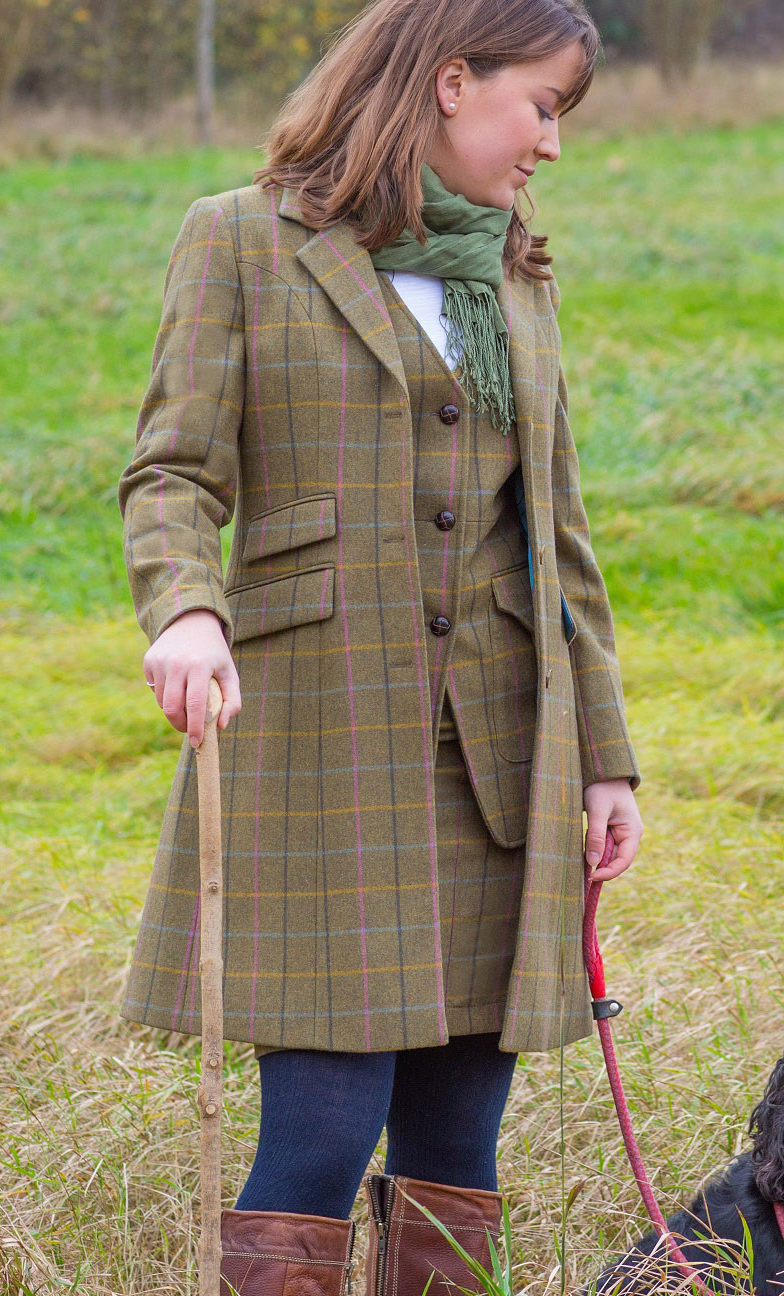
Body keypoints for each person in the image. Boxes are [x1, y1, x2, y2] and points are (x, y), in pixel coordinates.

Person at [116, 2, 642, 1292]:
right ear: (452, 81)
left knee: (459, 1139)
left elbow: (555, 533)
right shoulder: (239, 240)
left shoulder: (512, 271)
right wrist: (187, 607)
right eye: (544, 106)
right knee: (323, 1131)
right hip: (322, 755)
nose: (552, 146)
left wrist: (607, 759)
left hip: (501, 764)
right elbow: (172, 473)